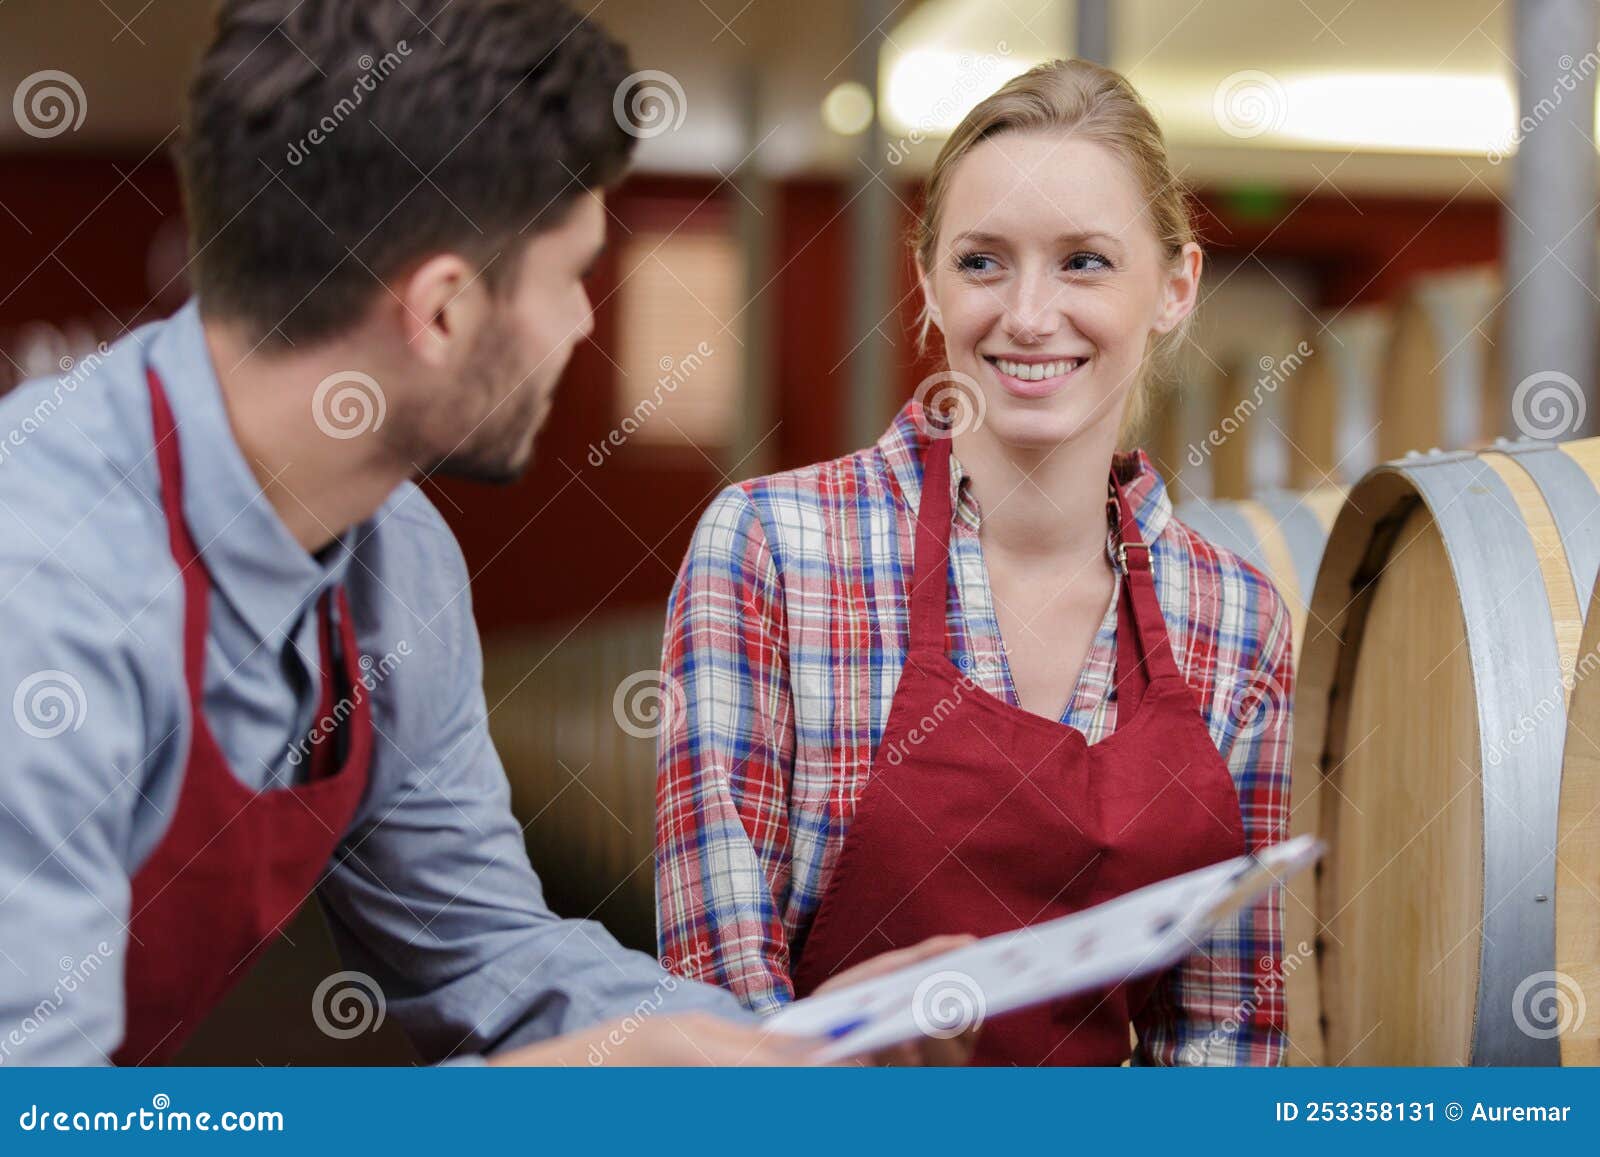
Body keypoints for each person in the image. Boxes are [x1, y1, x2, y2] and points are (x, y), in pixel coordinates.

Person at [0, 0, 973, 1068]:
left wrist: (792, 1043)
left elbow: (484, 952)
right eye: (571, 277)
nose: (582, 323)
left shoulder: (394, 559)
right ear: (445, 310)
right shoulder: (39, 581)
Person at [656, 58, 1293, 1066]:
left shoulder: (1234, 615)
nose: (1030, 315)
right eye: (984, 261)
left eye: (1084, 261)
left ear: (1174, 287)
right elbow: (720, 987)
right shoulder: (773, 547)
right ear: (927, 281)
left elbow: (1225, 1024)